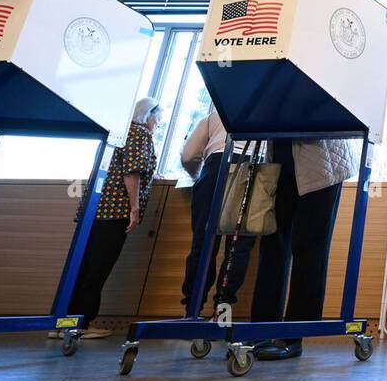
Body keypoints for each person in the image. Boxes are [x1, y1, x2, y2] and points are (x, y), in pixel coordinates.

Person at [249, 137, 359, 360]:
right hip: (280, 165)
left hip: (321, 166)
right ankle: (260, 329)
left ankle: (293, 335)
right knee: (272, 247)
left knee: (309, 248)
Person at [67, 97, 161, 339]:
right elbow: (132, 171)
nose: (158, 125)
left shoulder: (118, 131)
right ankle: (81, 324)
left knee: (82, 266)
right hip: (115, 210)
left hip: (93, 210)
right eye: (158, 119)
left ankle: (66, 322)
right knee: (98, 267)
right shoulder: (139, 132)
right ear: (148, 115)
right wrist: (134, 208)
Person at [178, 106, 255, 316]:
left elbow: (188, 155)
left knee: (203, 243)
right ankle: (223, 312)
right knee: (238, 247)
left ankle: (191, 309)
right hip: (251, 168)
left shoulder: (215, 114)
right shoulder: (265, 112)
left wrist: (196, 176)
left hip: (214, 168)